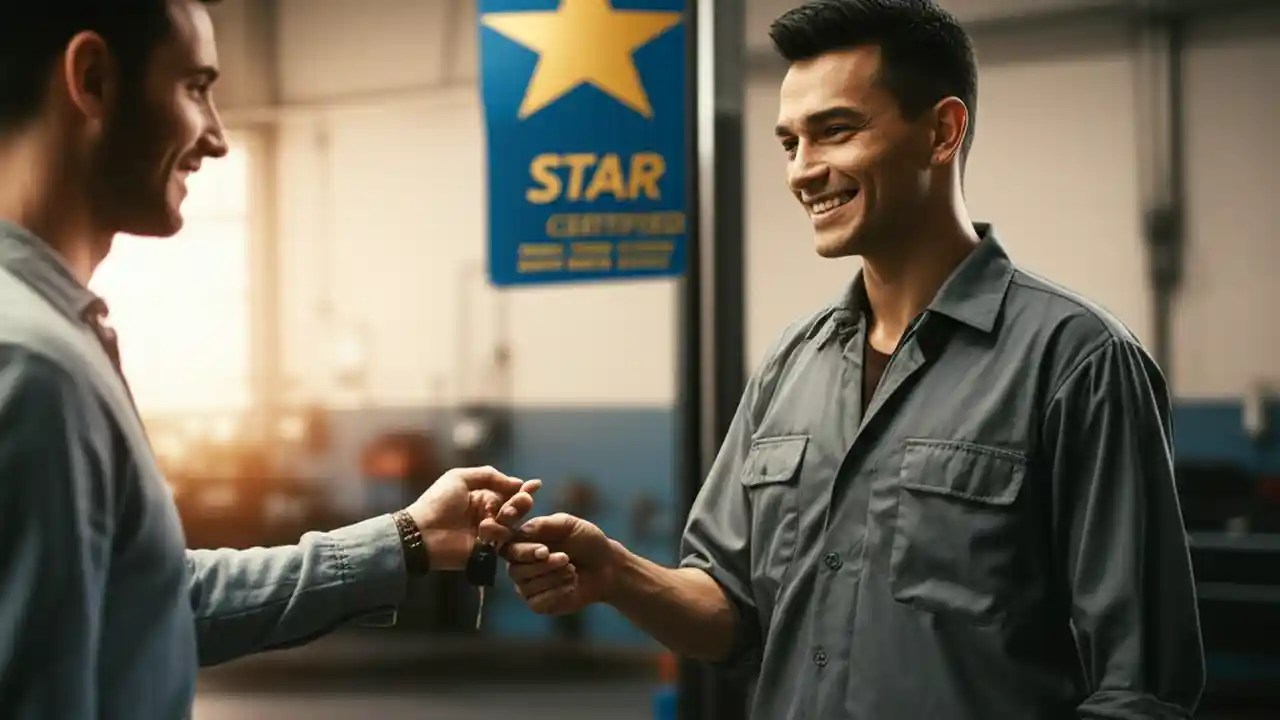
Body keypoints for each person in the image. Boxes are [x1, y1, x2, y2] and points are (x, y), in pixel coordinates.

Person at [504, 1, 1206, 717]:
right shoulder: (791, 365)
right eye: (789, 143)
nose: (804, 172)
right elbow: (731, 609)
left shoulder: (1077, 363)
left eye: (835, 132)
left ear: (942, 131)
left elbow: (1140, 685)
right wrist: (619, 575)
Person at [0, 1, 564, 718]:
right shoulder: (31, 364)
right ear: (94, 80)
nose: (218, 136)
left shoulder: (58, 338)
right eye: (195, 86)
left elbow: (157, 603)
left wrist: (409, 540)